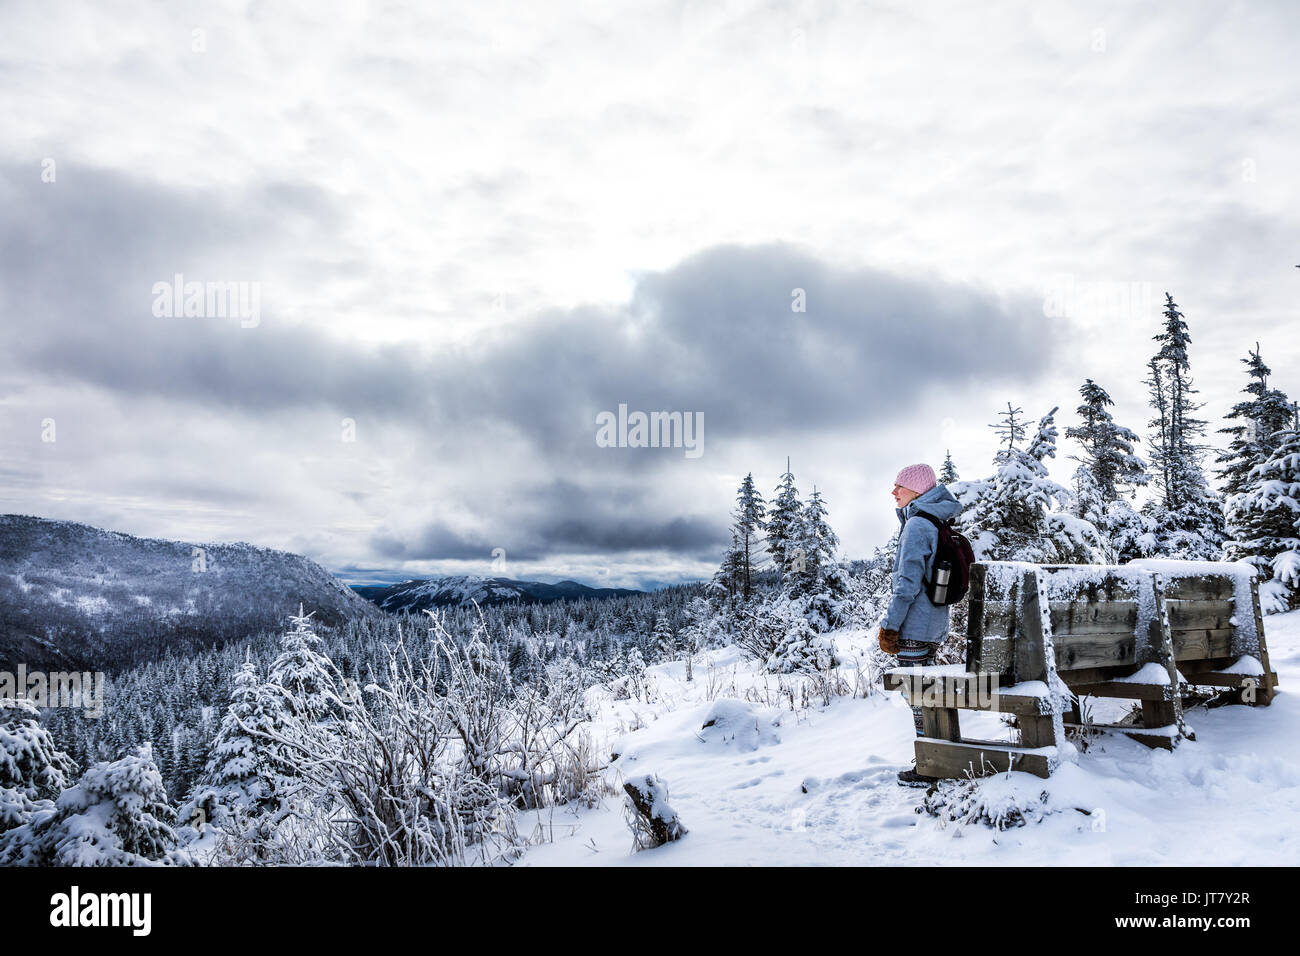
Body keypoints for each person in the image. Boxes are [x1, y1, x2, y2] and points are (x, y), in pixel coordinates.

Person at [876, 462, 962, 786]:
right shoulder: (935, 521)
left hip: (914, 626)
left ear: (916, 491)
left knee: (918, 695)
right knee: (925, 693)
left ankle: (930, 765)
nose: (894, 491)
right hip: (934, 624)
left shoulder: (916, 526)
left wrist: (890, 626)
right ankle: (936, 758)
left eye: (899, 486)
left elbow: (907, 585)